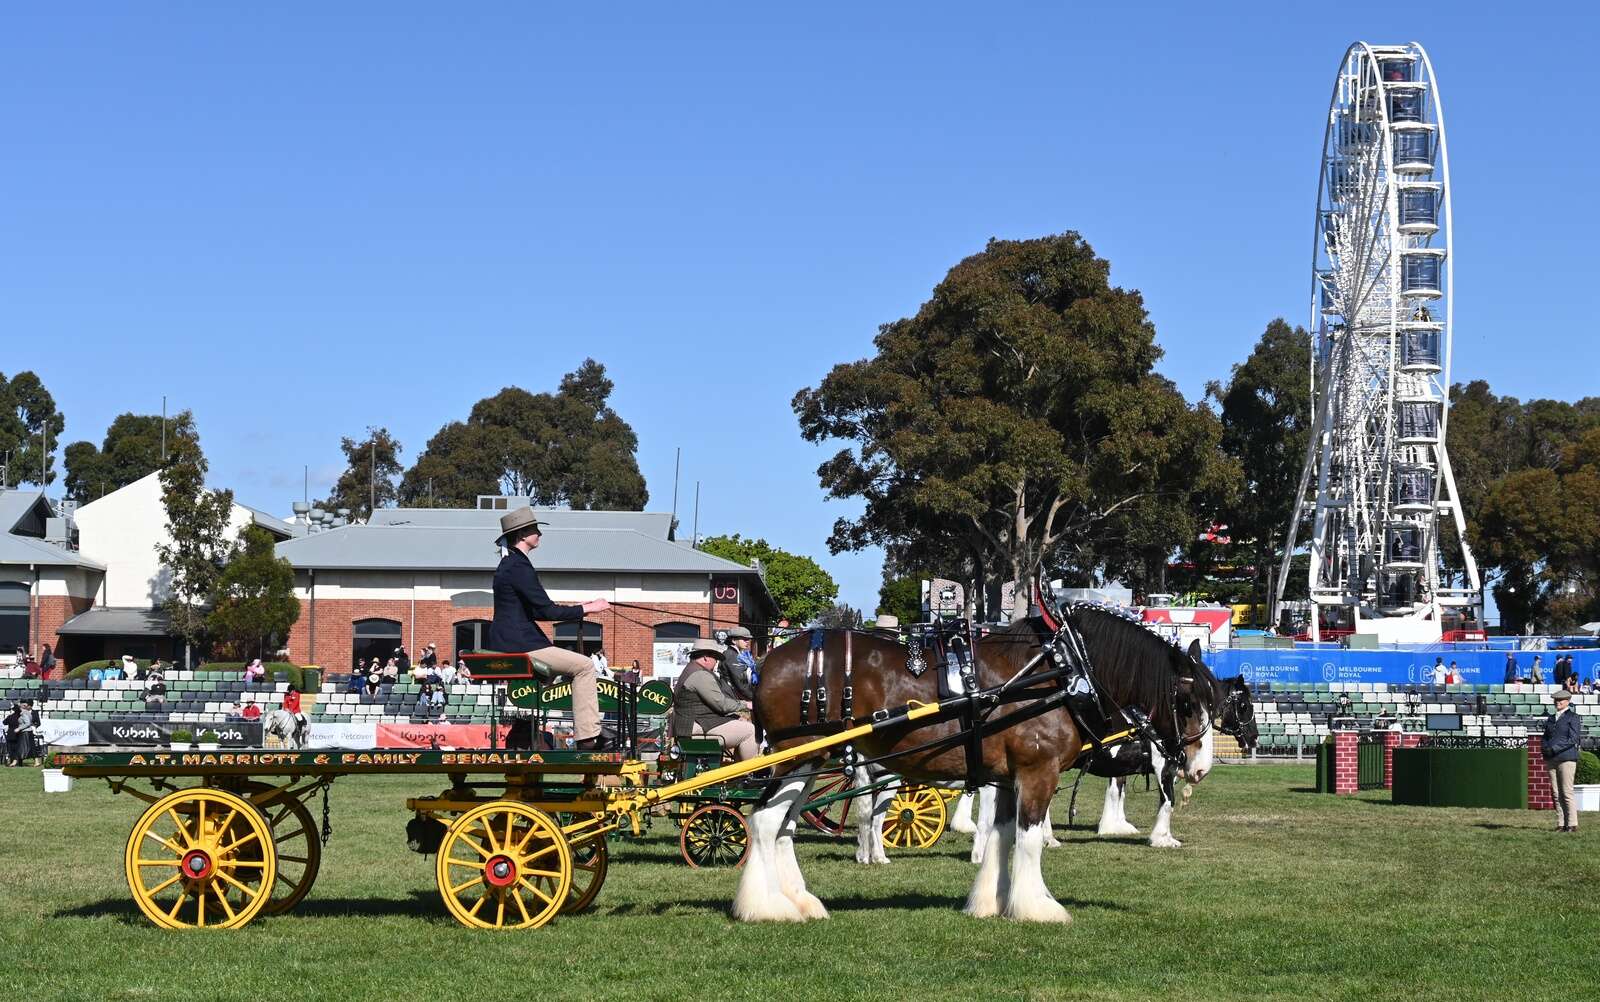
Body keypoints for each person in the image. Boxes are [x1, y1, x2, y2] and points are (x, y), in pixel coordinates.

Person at [488, 507, 613, 751]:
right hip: (520, 645)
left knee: (563, 671)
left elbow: (536, 610)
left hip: (512, 642)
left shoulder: (509, 564)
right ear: (523, 534)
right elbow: (547, 611)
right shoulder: (518, 567)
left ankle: (570, 728)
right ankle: (588, 737)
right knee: (585, 666)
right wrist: (589, 609)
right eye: (535, 529)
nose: (540, 534)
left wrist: (581, 606)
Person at [670, 639, 758, 761]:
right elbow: (721, 704)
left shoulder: (690, 669)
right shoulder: (701, 675)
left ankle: (738, 772)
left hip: (689, 723)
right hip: (694, 725)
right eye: (715, 658)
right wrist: (746, 704)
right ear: (706, 657)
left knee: (741, 722)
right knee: (750, 731)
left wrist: (735, 716)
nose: (716, 662)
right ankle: (748, 775)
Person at [1543, 689, 1582, 832]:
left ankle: (1572, 823)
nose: (1558, 702)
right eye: (1556, 700)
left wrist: (1554, 749)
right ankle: (1561, 823)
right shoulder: (1551, 718)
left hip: (1566, 758)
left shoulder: (1573, 717)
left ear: (1567, 702)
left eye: (1561, 700)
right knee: (1556, 792)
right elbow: (1545, 737)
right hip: (1551, 759)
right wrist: (1544, 749)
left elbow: (1573, 739)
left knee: (1566, 791)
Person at [719, 626, 756, 700]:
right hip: (732, 696)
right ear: (734, 640)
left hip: (733, 695)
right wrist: (754, 698)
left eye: (748, 639)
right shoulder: (731, 655)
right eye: (745, 639)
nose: (748, 641)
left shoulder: (736, 654)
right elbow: (740, 682)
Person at [5, 697, 39, 765]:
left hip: (25, 732)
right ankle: (36, 761)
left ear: (23, 705)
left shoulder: (24, 713)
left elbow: (27, 723)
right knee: (31, 747)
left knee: (19, 747)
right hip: (28, 732)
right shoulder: (27, 712)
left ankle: (15, 762)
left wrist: (19, 728)